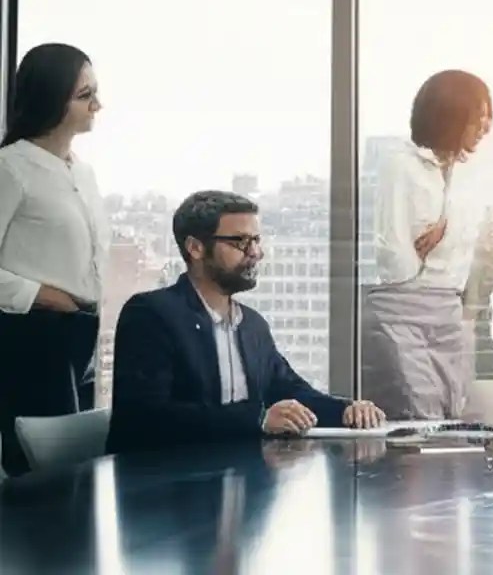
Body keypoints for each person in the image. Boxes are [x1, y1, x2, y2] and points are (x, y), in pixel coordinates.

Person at [107, 191, 383, 453]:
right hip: (165, 479)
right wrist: (257, 420)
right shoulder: (151, 314)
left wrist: (346, 410)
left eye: (256, 240)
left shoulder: (251, 324)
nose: (255, 253)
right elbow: (146, 418)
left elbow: (289, 390)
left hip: (239, 474)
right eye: (240, 242)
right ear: (195, 248)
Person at [0, 43, 109, 476]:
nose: (98, 105)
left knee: (79, 464)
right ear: (50, 99)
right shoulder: (10, 167)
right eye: (85, 95)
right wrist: (40, 294)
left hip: (81, 332)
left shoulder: (83, 172)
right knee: (43, 475)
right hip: (33, 333)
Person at [364, 70, 492, 419]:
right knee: (415, 413)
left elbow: (471, 241)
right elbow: (393, 249)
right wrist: (417, 267)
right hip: (403, 305)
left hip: (448, 309)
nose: (485, 126)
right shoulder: (401, 163)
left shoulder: (469, 172)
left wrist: (443, 231)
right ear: (451, 114)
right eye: (478, 116)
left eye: (488, 116)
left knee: (449, 413)